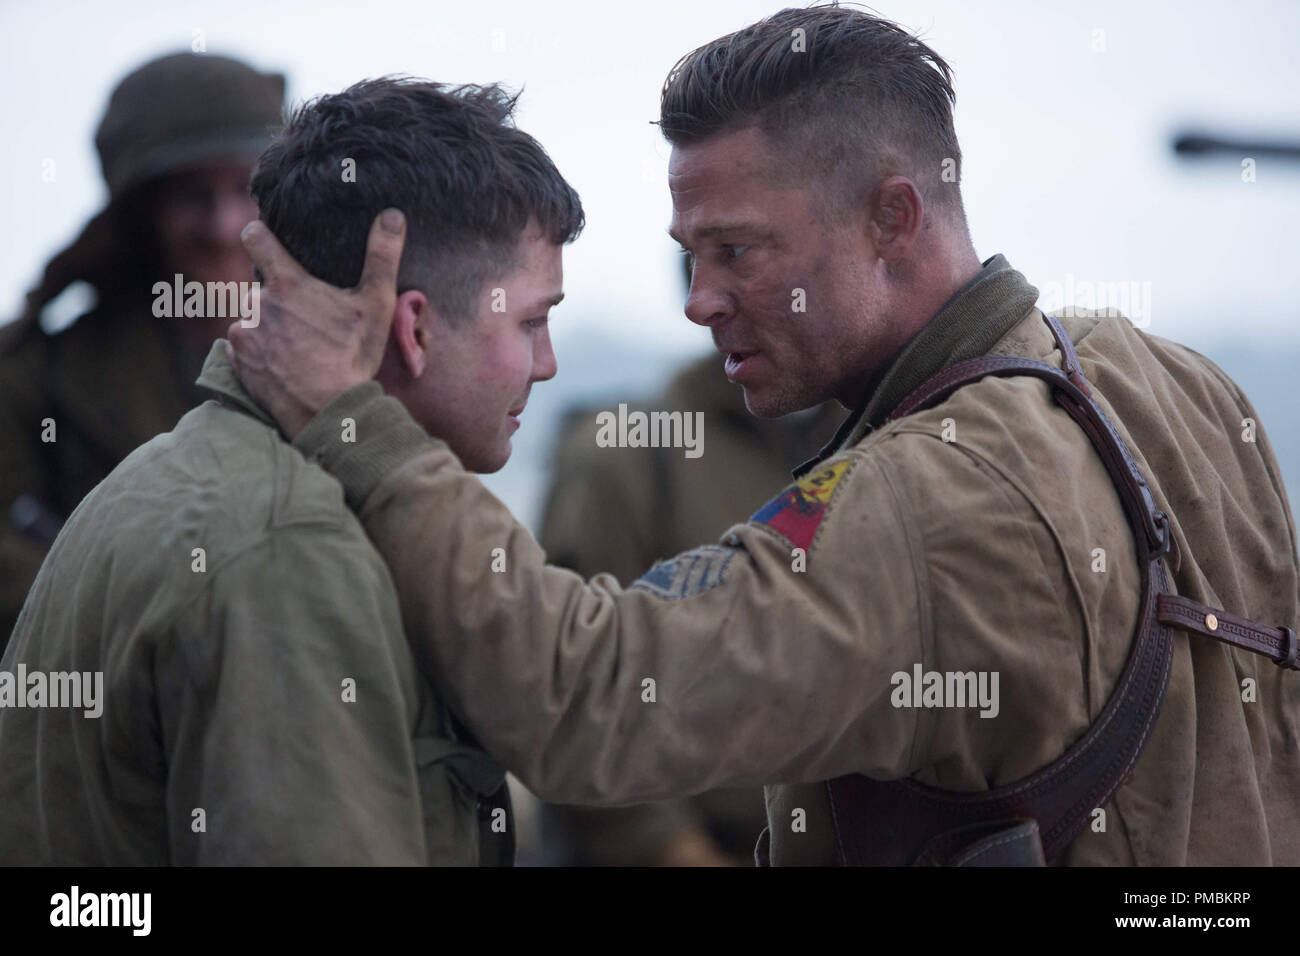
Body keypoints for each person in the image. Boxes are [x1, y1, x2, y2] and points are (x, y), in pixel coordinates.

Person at [229, 7, 1300, 865]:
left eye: (737, 251)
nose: (699, 301)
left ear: (893, 218)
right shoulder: (1169, 377)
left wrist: (353, 422)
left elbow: (586, 693)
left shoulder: (919, 498)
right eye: (690, 255)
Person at [0, 78, 582, 865]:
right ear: (413, 326)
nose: (547, 365)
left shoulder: (192, 467)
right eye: (532, 321)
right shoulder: (290, 545)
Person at [0, 52, 286, 648]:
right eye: (192, 197)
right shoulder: (40, 379)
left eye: (245, 188)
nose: (222, 223)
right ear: (142, 215)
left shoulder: (345, 353)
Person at [537, 314, 842, 865]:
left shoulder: (889, 442)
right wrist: (672, 848)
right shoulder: (626, 458)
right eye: (723, 252)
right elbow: (570, 692)